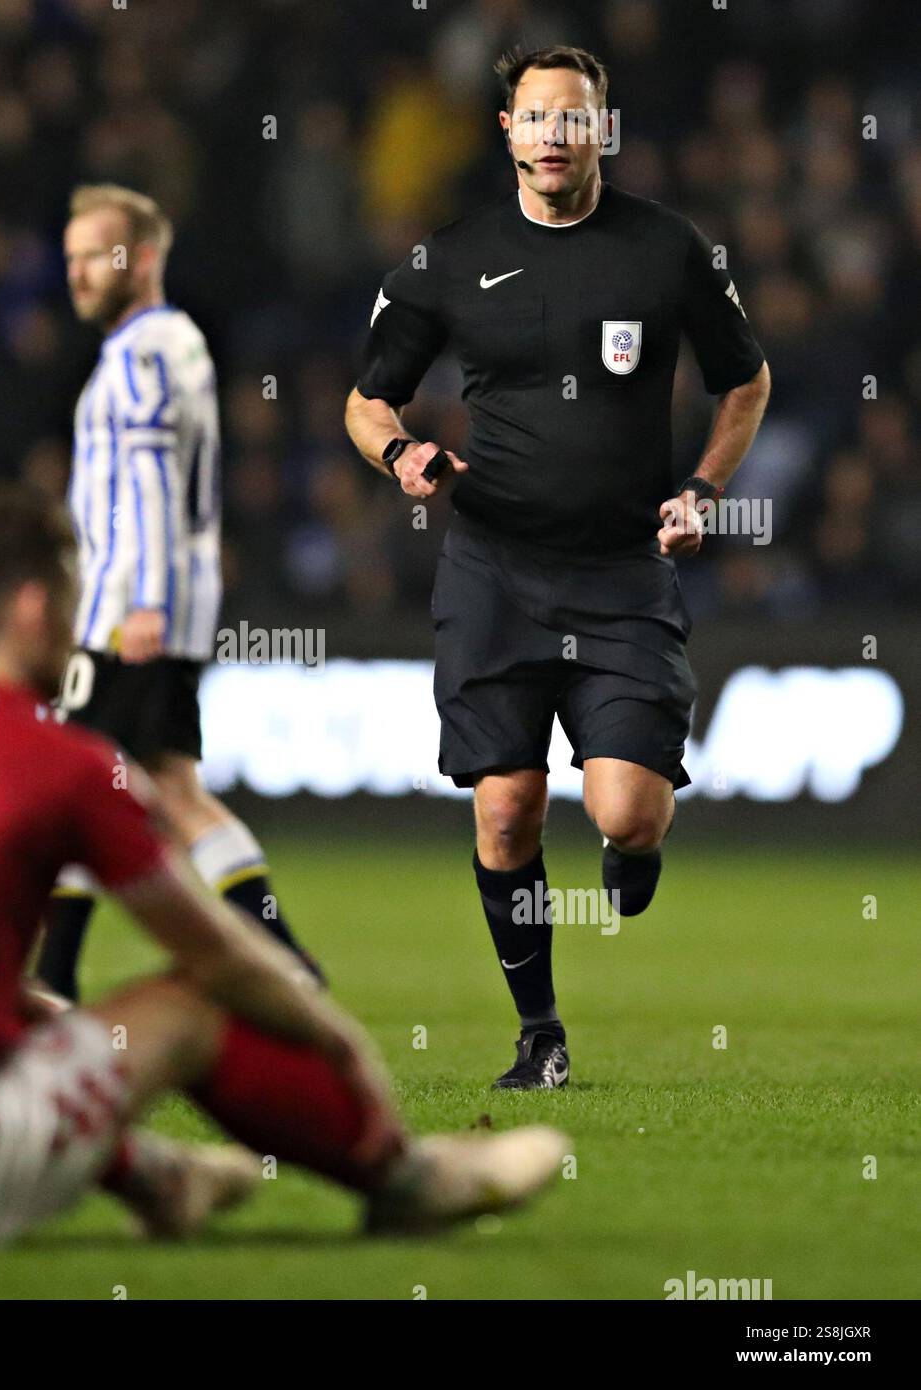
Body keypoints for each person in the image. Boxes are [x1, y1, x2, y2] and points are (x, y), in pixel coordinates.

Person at [0, 482, 567, 1247]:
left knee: (12, 1022)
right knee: (187, 1007)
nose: (80, 626)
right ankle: (402, 1176)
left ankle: (159, 1177)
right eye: (73, 599)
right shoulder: (54, 754)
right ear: (32, 607)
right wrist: (336, 1034)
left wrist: (53, 1023)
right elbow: (216, 959)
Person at [344, 45, 770, 1089]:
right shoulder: (450, 257)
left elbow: (745, 382)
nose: (553, 136)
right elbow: (366, 399)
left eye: (573, 120)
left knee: (625, 808)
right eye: (535, 118)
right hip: (493, 566)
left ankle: (634, 851)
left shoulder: (666, 250)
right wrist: (402, 453)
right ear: (507, 132)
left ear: (601, 133)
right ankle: (541, 1035)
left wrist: (704, 491)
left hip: (622, 569)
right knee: (505, 808)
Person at [38, 183, 322, 1001]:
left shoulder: (140, 354)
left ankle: (54, 979)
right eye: (73, 258)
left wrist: (147, 603)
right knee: (174, 789)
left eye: (99, 254)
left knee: (77, 785)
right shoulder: (173, 344)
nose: (82, 273)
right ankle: (287, 961)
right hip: (150, 602)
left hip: (127, 609)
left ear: (146, 257)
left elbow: (154, 482)